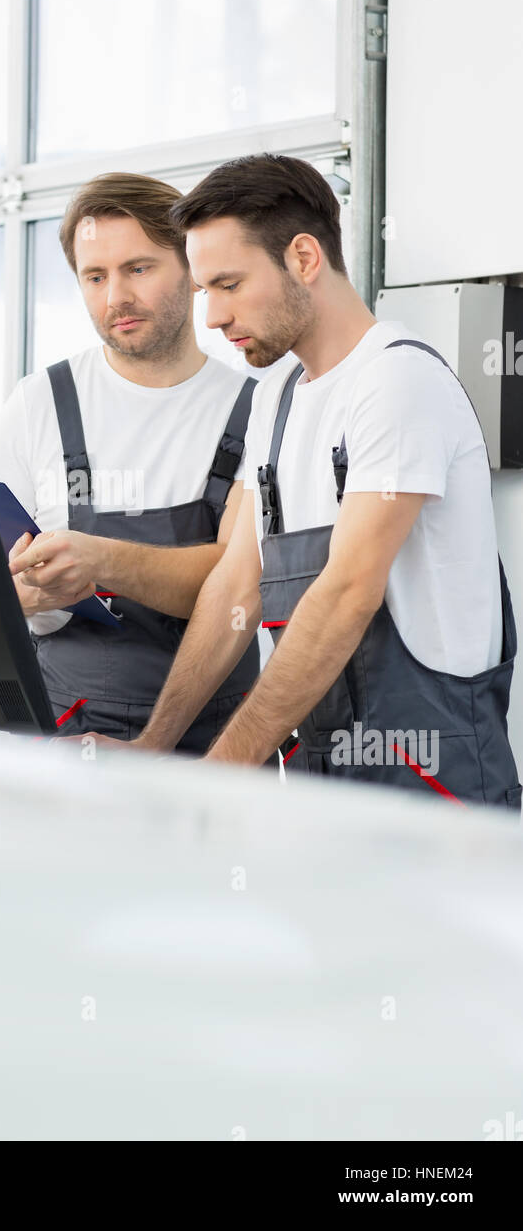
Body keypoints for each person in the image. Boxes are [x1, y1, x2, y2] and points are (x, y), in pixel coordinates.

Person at [80, 153, 520, 809]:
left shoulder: (397, 384)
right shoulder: (277, 397)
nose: (213, 317)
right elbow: (237, 583)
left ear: (305, 258)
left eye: (227, 284)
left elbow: (345, 595)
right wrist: (156, 746)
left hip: (437, 796)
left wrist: (217, 772)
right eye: (205, 291)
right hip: (325, 792)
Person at [0, 172, 260, 752]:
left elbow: (240, 583)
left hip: (213, 754)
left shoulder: (257, 411)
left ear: (191, 267)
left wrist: (98, 561)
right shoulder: (37, 407)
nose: (115, 299)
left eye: (138, 268)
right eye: (94, 277)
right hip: (60, 740)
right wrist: (23, 599)